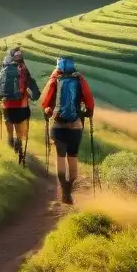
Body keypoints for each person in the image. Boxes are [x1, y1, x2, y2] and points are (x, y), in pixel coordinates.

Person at [40, 56, 94, 204]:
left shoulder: (55, 78)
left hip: (58, 125)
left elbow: (44, 101)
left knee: (60, 157)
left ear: (58, 66)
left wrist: (48, 110)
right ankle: (69, 188)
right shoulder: (79, 79)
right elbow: (89, 99)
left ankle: (64, 191)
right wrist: (89, 112)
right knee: (73, 157)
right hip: (76, 125)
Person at [0, 47, 39, 163]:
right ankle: (19, 141)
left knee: (8, 120)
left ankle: (10, 137)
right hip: (21, 105)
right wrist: (35, 96)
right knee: (20, 125)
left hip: (7, 104)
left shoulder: (4, 68)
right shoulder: (23, 68)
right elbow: (31, 83)